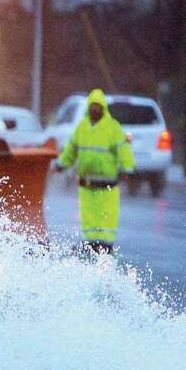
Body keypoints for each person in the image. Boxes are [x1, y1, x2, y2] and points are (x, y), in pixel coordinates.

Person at [56, 89, 135, 255]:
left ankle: (105, 244)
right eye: (93, 106)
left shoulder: (113, 128)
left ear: (103, 108)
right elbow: (71, 149)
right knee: (88, 214)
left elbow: (123, 149)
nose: (95, 109)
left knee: (106, 214)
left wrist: (127, 168)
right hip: (87, 183)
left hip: (108, 183)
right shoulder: (82, 128)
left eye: (98, 106)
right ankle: (92, 243)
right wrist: (61, 164)